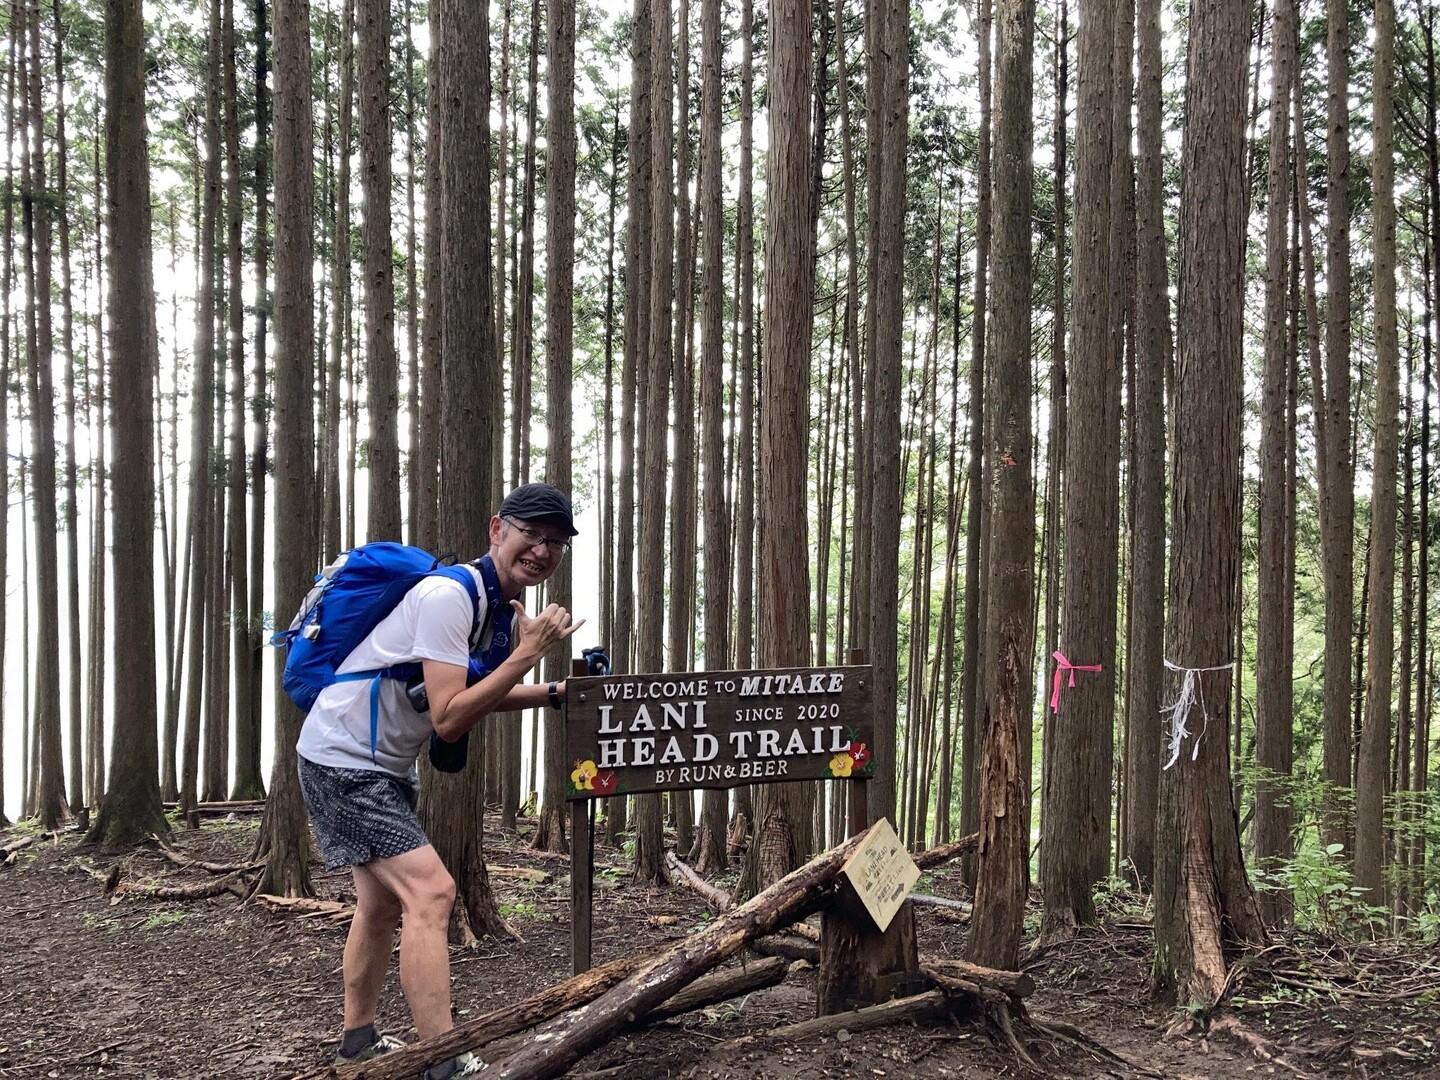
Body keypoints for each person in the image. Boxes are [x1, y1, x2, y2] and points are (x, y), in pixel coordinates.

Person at [296, 483, 584, 1078]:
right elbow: (452, 717)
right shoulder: (448, 596)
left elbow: (463, 699)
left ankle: (357, 1042)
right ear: (496, 529)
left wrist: (556, 693)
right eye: (531, 533)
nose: (542, 550)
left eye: (555, 542)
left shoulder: (495, 612)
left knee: (379, 904)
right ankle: (444, 1063)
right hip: (343, 756)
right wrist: (527, 657)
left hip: (380, 761)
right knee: (432, 893)